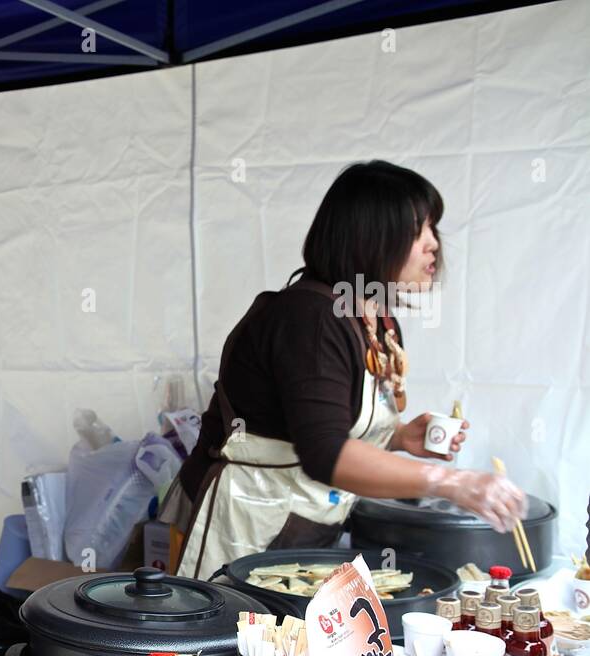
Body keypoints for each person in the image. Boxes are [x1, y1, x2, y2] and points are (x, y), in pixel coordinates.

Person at [163, 160, 526, 579]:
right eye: (418, 230)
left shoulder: (378, 322)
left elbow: (323, 424)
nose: (434, 245)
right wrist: (452, 482)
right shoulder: (311, 317)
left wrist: (397, 437)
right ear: (369, 235)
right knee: (232, 642)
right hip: (243, 525)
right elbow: (326, 453)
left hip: (305, 525)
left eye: (434, 229)